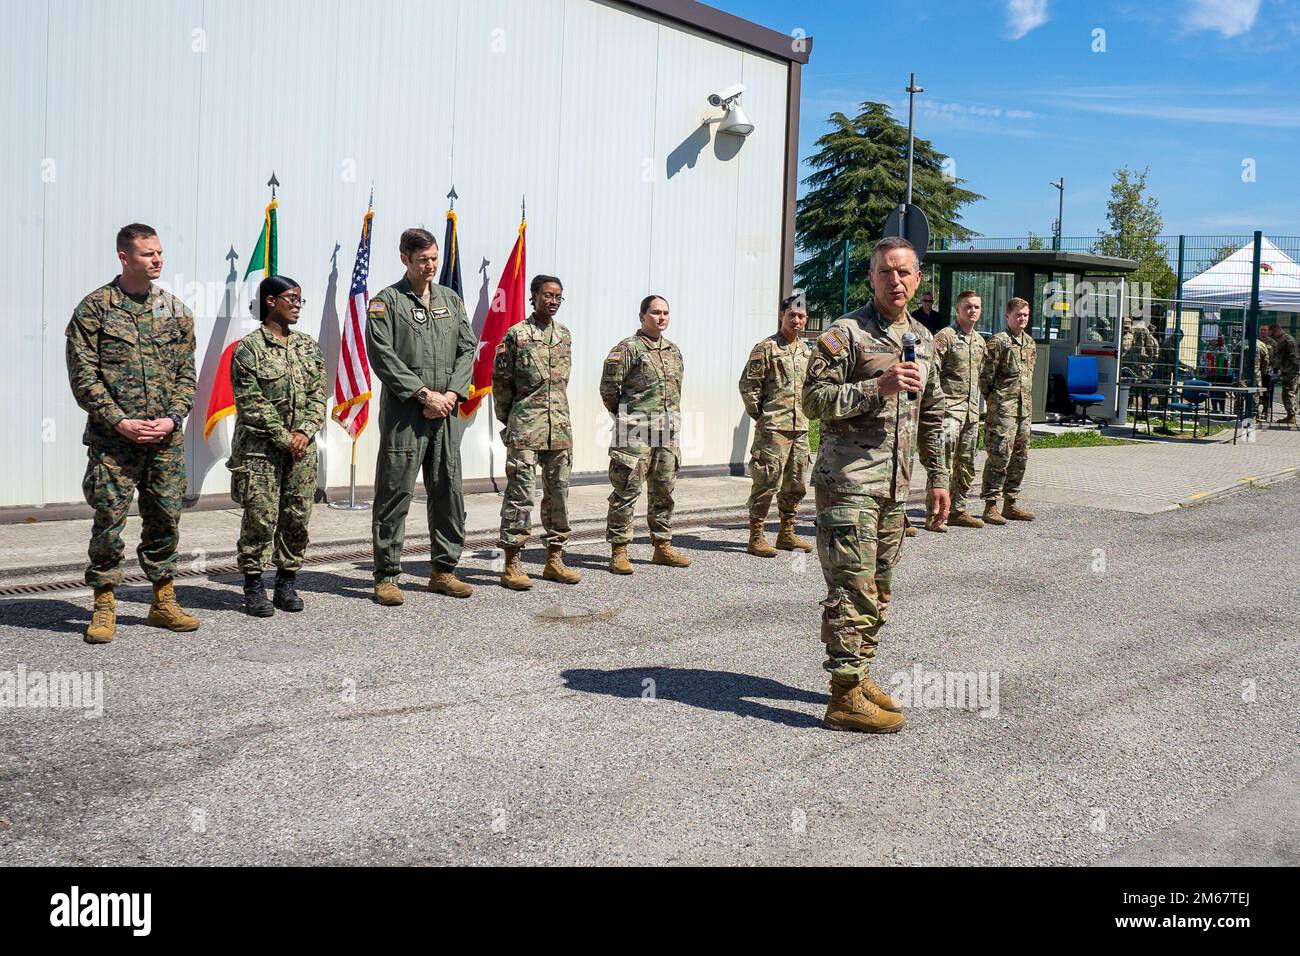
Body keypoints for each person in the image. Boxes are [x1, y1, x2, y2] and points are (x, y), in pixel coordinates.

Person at [802, 236, 949, 734]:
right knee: (851, 590)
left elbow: (933, 414)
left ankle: (859, 674)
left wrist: (939, 479)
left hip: (894, 488)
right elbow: (813, 401)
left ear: (918, 278)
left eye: (905, 272)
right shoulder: (846, 334)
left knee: (879, 590)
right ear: (871, 277)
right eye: (886, 272)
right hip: (849, 483)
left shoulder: (924, 342)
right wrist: (875, 388)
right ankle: (843, 696)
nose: (896, 281)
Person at [65, 223, 199, 643]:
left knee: (165, 518)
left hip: (164, 440)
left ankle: (163, 601)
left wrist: (174, 418)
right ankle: (104, 603)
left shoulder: (175, 312)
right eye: (147, 254)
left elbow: (185, 375)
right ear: (124, 257)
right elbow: (83, 376)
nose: (157, 260)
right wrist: (118, 420)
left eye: (159, 252)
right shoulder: (95, 310)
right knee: (109, 520)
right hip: (113, 441)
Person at [366, 228, 477, 604]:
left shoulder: (451, 299)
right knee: (394, 492)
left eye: (434, 258)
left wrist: (449, 394)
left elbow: (468, 349)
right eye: (422, 260)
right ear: (405, 259)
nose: (430, 266)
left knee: (448, 489)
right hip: (405, 414)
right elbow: (382, 355)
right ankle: (387, 575)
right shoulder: (387, 302)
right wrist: (422, 394)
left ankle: (443, 571)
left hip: (445, 412)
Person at [228, 275, 327, 617]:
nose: (298, 304)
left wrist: (304, 432)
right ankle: (254, 586)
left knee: (297, 517)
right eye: (292, 298)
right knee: (260, 518)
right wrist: (286, 438)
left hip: (302, 450)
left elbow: (318, 396)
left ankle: (286, 582)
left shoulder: (307, 346)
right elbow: (251, 402)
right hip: (260, 451)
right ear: (271, 301)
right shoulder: (248, 349)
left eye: (301, 299)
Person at [491, 275, 581, 589]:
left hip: (560, 429)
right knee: (520, 496)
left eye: (558, 296)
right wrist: (512, 421)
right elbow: (501, 385)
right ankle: (512, 564)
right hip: (525, 428)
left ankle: (554, 560)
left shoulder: (565, 335)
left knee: (559, 496)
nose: (553, 301)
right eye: (547, 295)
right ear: (533, 296)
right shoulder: (516, 335)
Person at [600, 294, 690, 573]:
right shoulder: (627, 349)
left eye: (665, 312)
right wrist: (628, 419)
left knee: (664, 491)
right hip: (635, 433)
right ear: (642, 316)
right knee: (626, 491)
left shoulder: (673, 351)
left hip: (666, 434)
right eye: (655, 312)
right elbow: (608, 390)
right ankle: (620, 550)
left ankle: (662, 546)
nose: (661, 317)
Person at [738, 293, 813, 557]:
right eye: (791, 314)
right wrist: (762, 416)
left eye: (801, 316)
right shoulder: (766, 348)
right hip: (773, 429)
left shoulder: (806, 352)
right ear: (782, 315)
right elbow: (748, 385)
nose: (796, 320)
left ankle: (787, 533)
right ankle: (756, 536)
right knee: (766, 482)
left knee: (795, 483)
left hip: (800, 427)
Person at [929, 290, 987, 529]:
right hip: (949, 413)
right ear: (957, 309)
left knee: (966, 463)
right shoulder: (946, 337)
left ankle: (958, 510)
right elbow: (931, 372)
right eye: (967, 306)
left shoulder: (980, 341)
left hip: (971, 414)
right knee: (942, 464)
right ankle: (934, 514)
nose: (972, 310)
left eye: (976, 307)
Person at [979, 297, 1036, 524]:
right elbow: (986, 378)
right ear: (1008, 316)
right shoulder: (998, 342)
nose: (1022, 319)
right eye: (1018, 315)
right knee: (999, 456)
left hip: (1024, 410)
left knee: (1020, 457)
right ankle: (990, 505)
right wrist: (996, 400)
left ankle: (1010, 503)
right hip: (1002, 410)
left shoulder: (1030, 343)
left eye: (1025, 315)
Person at [1269, 323, 1298, 424]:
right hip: (1294, 369)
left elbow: (1279, 358)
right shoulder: (1290, 338)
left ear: (1276, 330)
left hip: (1289, 370)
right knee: (1291, 392)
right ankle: (1291, 415)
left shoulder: (1283, 340)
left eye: (1273, 334)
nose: (1273, 337)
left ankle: (1291, 416)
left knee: (1287, 393)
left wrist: (1275, 370)